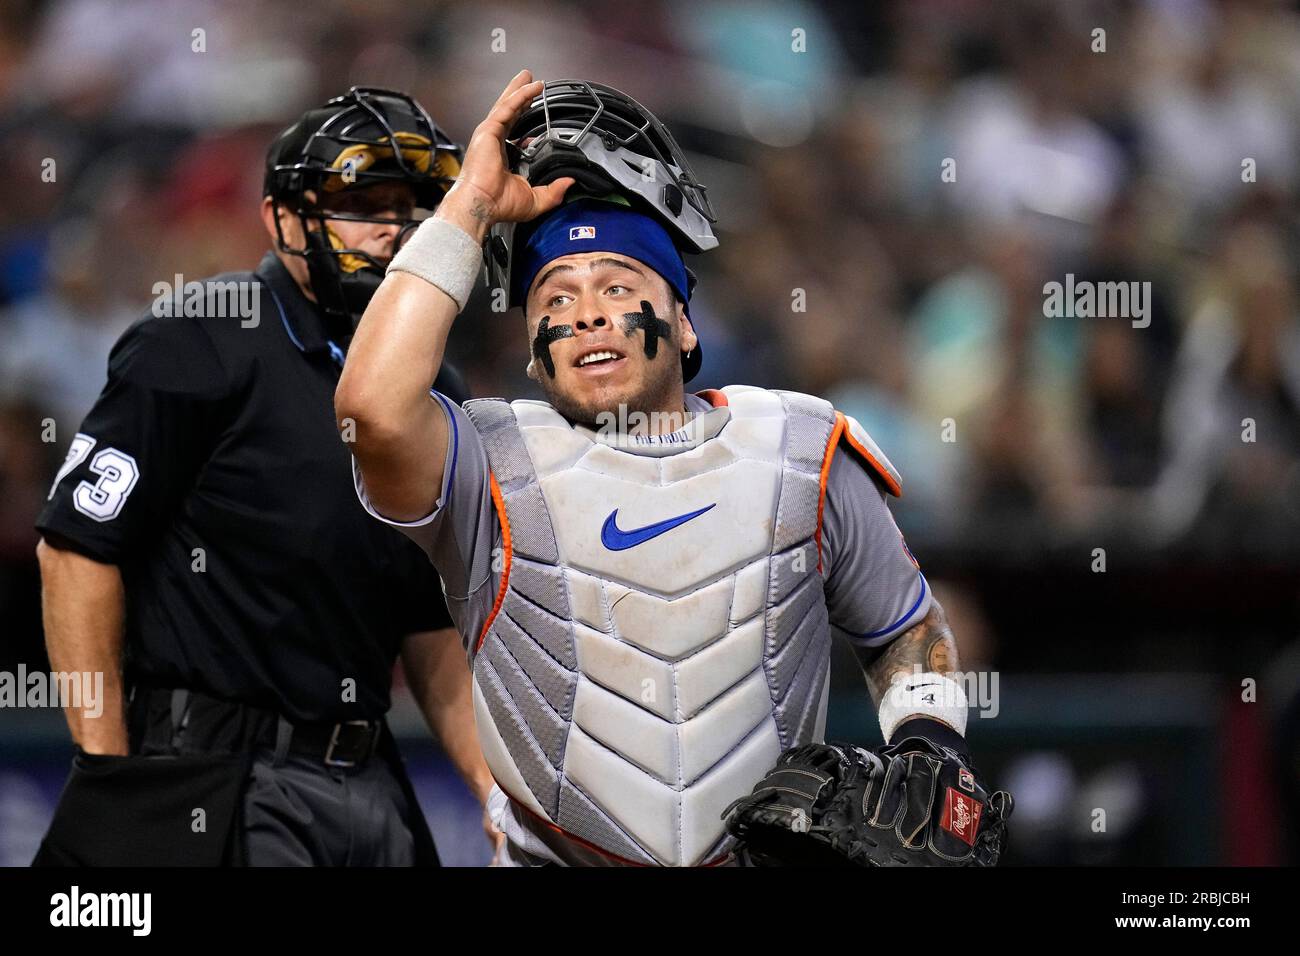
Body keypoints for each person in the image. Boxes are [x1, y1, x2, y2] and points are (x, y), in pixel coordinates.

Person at [338, 72, 1004, 866]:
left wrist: (930, 746)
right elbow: (371, 408)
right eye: (553, 298)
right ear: (530, 349)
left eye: (618, 286)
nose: (584, 311)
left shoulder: (800, 445)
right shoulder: (485, 460)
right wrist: (471, 208)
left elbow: (905, 628)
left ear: (685, 325)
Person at [34, 87, 495, 866]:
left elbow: (431, 629)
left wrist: (492, 791)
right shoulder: (200, 337)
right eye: (361, 201)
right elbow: (77, 551)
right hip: (208, 772)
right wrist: (109, 773)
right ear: (282, 216)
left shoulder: (437, 392)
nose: (392, 230)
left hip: (369, 773)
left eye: (415, 206)